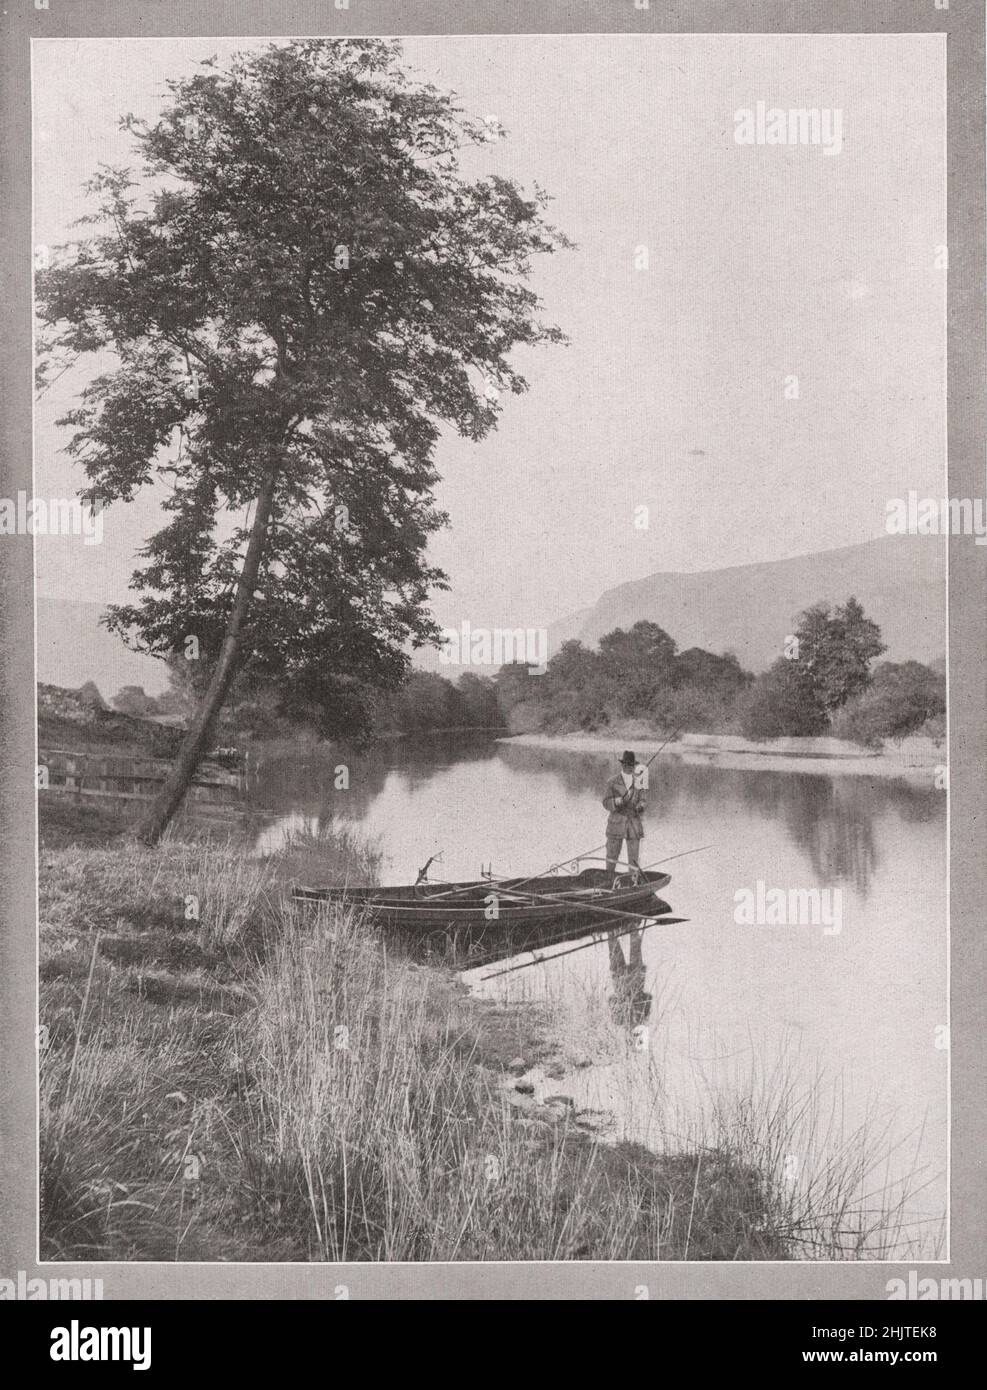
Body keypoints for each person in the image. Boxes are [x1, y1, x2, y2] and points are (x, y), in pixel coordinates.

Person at [602, 749, 646, 881]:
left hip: (633, 825)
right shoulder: (611, 782)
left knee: (634, 862)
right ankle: (608, 882)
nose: (629, 767)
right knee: (611, 858)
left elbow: (643, 800)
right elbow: (605, 802)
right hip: (616, 825)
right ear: (622, 765)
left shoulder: (639, 782)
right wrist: (615, 801)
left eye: (632, 765)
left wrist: (641, 806)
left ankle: (632, 883)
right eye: (627, 764)